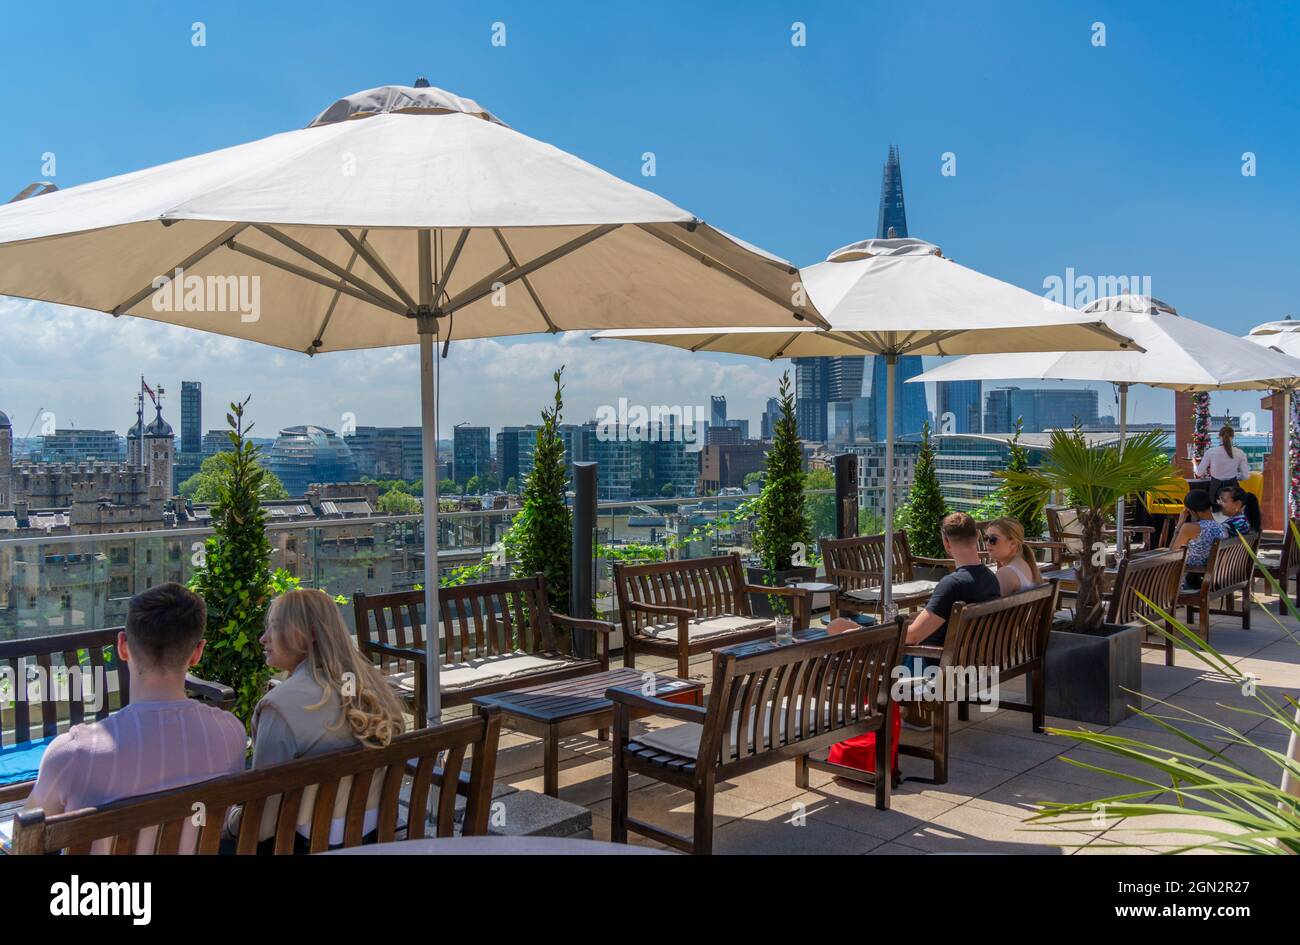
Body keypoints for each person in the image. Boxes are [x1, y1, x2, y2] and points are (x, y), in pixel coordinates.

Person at [24, 583, 246, 853]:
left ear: (122, 647)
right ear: (197, 653)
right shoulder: (231, 733)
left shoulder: (71, 754)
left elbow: (29, 837)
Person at [235, 588, 406, 851]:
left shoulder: (278, 707)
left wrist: (228, 822)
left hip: (308, 844)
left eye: (274, 627)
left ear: (310, 634)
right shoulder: (376, 689)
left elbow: (260, 824)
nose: (263, 638)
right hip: (374, 838)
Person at [904, 512, 1001, 646]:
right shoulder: (991, 579)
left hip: (934, 663)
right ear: (977, 535)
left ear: (946, 542)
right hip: (973, 662)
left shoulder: (952, 585)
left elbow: (912, 637)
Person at [1171, 490, 1228, 588]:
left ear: (1190, 510)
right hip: (1214, 579)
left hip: (1192, 579)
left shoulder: (1190, 528)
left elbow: (1171, 552)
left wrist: (1180, 524)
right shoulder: (1222, 528)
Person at [985, 517, 1043, 596]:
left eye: (993, 539)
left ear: (1013, 544)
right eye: (986, 538)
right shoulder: (1027, 565)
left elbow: (992, 607)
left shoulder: (1005, 573)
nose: (987, 543)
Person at [1195, 424, 1251, 503]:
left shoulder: (1211, 452)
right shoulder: (1240, 453)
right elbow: (1245, 476)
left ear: (1219, 437)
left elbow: (1199, 473)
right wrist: (1236, 477)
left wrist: (1194, 464)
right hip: (1233, 491)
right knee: (1233, 513)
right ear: (1233, 437)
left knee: (1215, 513)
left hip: (1215, 491)